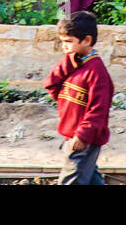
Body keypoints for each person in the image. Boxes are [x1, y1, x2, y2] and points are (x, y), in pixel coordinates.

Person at [43, 10, 114, 185]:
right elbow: (51, 84)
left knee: (70, 181)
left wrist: (82, 135)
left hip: (83, 140)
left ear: (87, 40)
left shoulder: (97, 72)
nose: (64, 47)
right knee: (91, 180)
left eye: (69, 42)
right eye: (62, 42)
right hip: (71, 136)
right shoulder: (73, 65)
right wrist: (69, 62)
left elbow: (98, 110)